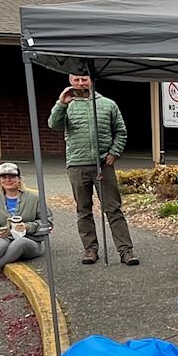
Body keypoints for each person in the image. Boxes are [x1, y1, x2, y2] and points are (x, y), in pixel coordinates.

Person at [47, 74, 138, 266]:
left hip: (103, 164)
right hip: (77, 164)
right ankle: (90, 249)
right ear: (71, 81)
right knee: (83, 210)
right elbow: (53, 125)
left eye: (84, 79)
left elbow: (121, 131)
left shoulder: (107, 104)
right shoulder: (67, 105)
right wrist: (61, 103)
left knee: (113, 208)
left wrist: (114, 152)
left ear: (91, 80)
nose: (80, 83)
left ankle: (126, 251)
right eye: (77, 80)